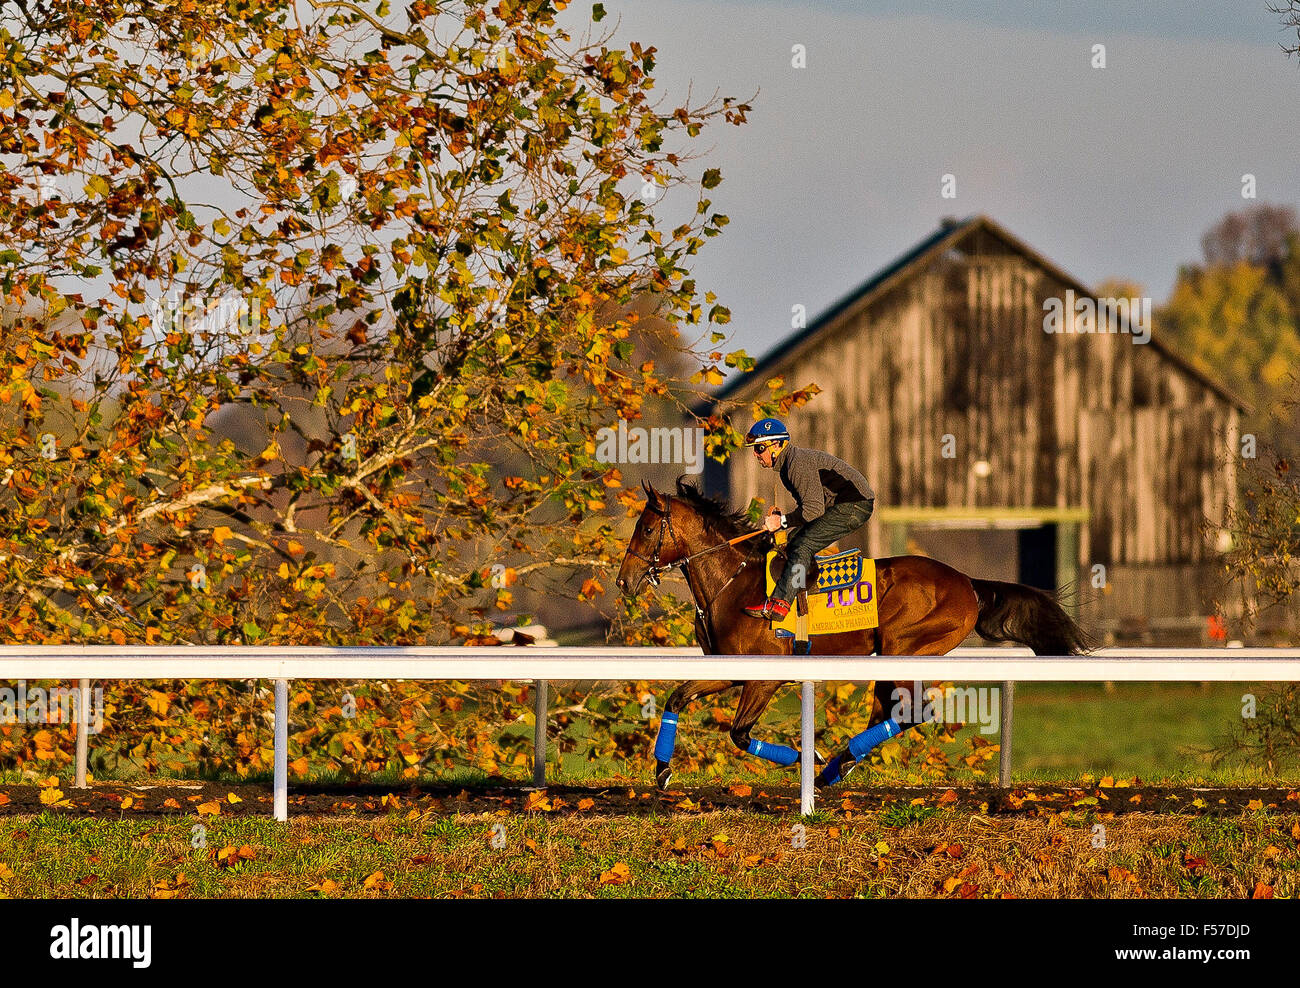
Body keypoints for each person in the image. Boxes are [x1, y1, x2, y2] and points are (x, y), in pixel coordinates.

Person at [740, 417, 876, 619]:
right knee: (793, 539)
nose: (755, 454)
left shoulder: (796, 464)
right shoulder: (788, 467)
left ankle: (781, 604)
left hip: (854, 505)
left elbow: (813, 510)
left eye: (759, 448)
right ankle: (800, 592)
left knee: (803, 544)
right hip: (842, 505)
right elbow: (811, 507)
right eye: (754, 449)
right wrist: (784, 522)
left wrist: (781, 522)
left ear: (777, 445)